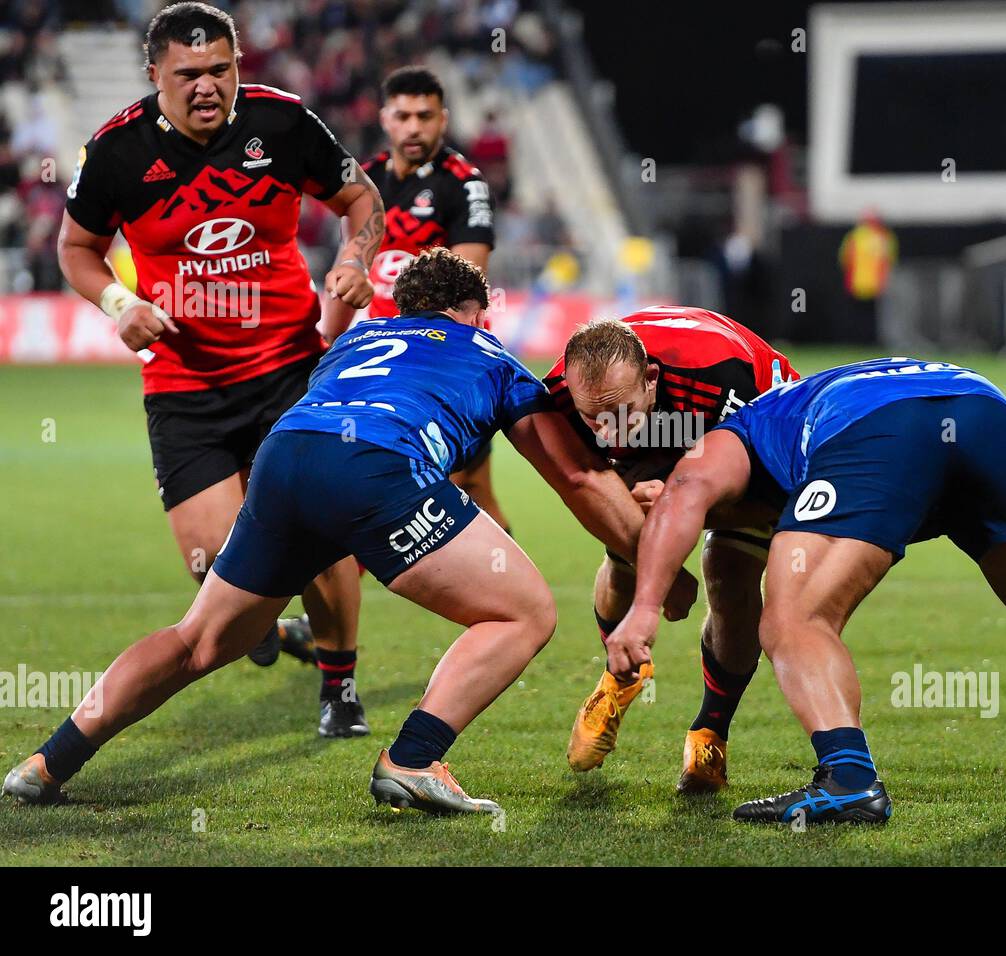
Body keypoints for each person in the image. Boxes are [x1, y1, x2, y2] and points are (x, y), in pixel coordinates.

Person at [3, 248, 697, 814]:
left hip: (287, 455)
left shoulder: (359, 339)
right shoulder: (490, 356)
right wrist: (659, 562)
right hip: (377, 466)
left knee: (202, 638)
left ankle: (48, 761)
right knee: (523, 612)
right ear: (474, 313)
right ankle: (414, 759)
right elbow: (575, 476)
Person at [604, 358, 1006, 823]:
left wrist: (643, 611)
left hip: (876, 436)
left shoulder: (735, 434)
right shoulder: (820, 395)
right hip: (980, 406)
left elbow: (687, 494)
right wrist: (1004, 527)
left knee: (795, 620)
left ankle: (848, 778)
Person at [55, 2, 385, 737]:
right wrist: (118, 301)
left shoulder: (283, 123)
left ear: (238, 65)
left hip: (288, 368)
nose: (207, 86)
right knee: (216, 565)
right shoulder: (116, 151)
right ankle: (259, 615)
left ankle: (340, 687)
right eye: (188, 74)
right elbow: (75, 249)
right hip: (185, 387)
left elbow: (360, 198)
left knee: (321, 530)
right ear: (155, 76)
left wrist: (356, 257)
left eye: (220, 70)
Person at [545, 307, 797, 792]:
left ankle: (710, 732)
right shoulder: (556, 394)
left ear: (651, 379)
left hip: (751, 451)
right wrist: (653, 555)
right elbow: (581, 486)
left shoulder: (726, 380)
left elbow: (774, 492)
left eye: (620, 414)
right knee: (623, 556)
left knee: (729, 572)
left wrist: (686, 506)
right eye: (591, 418)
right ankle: (618, 681)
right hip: (660, 446)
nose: (607, 434)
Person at [324, 66, 511, 532]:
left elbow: (467, 287)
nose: (413, 127)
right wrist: (330, 336)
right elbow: (348, 267)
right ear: (384, 118)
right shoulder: (363, 182)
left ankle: (507, 586)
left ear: (442, 120)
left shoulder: (464, 184)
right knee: (369, 481)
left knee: (461, 486)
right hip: (377, 355)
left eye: (424, 116)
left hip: (443, 362)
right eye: (403, 115)